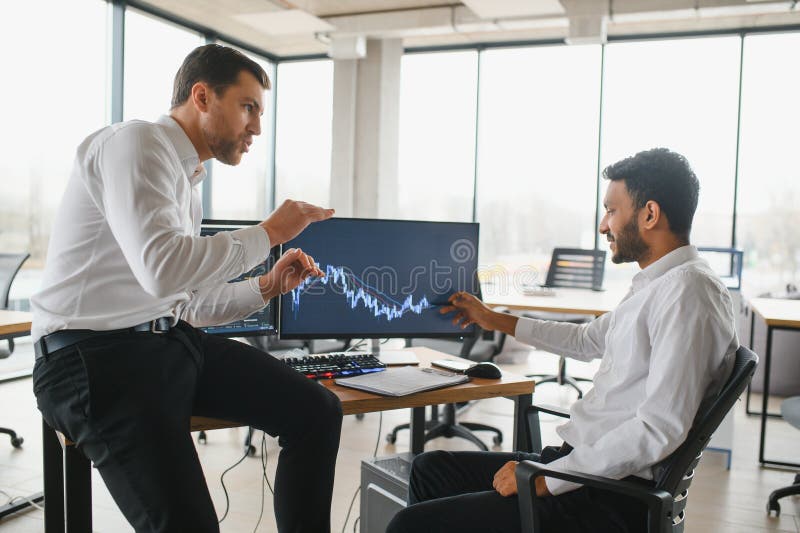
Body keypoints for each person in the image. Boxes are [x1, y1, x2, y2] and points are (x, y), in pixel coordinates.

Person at [31, 44, 342, 533]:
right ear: (202, 96)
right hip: (91, 360)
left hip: (165, 342)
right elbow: (164, 269)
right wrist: (268, 233)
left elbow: (183, 302)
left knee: (316, 411)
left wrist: (265, 286)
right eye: (248, 107)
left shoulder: (183, 180)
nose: (257, 128)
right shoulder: (135, 144)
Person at [387, 148, 739, 533]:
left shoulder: (688, 295)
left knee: (409, 525)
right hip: (584, 467)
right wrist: (492, 318)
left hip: (607, 494)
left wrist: (548, 479)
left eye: (612, 211)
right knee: (429, 469)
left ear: (649, 214)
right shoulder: (657, 284)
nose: (604, 226)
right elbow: (585, 340)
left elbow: (659, 429)